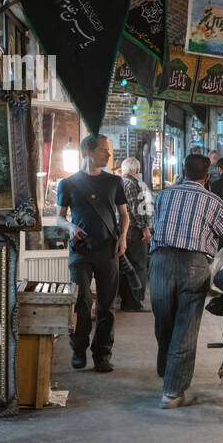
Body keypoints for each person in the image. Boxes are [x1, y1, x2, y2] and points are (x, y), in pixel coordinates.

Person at [148, 153, 223, 409]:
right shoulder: (211, 201)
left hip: (160, 262)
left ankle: (166, 372)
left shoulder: (163, 195)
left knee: (164, 321)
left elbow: (155, 225)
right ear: (207, 177)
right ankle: (171, 392)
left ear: (182, 171)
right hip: (193, 265)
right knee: (185, 327)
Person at [57, 135, 129, 373]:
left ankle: (102, 354)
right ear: (89, 152)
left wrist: (122, 237)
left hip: (108, 249)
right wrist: (70, 227)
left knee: (107, 305)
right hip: (81, 251)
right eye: (104, 150)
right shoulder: (68, 184)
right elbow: (60, 216)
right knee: (82, 301)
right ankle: (78, 349)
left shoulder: (114, 182)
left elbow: (124, 215)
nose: (109, 155)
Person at [118, 157, 154, 311]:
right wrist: (146, 229)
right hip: (134, 232)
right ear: (137, 171)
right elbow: (137, 210)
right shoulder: (133, 184)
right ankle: (133, 303)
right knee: (138, 267)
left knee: (126, 267)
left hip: (123, 231)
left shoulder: (120, 182)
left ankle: (126, 300)